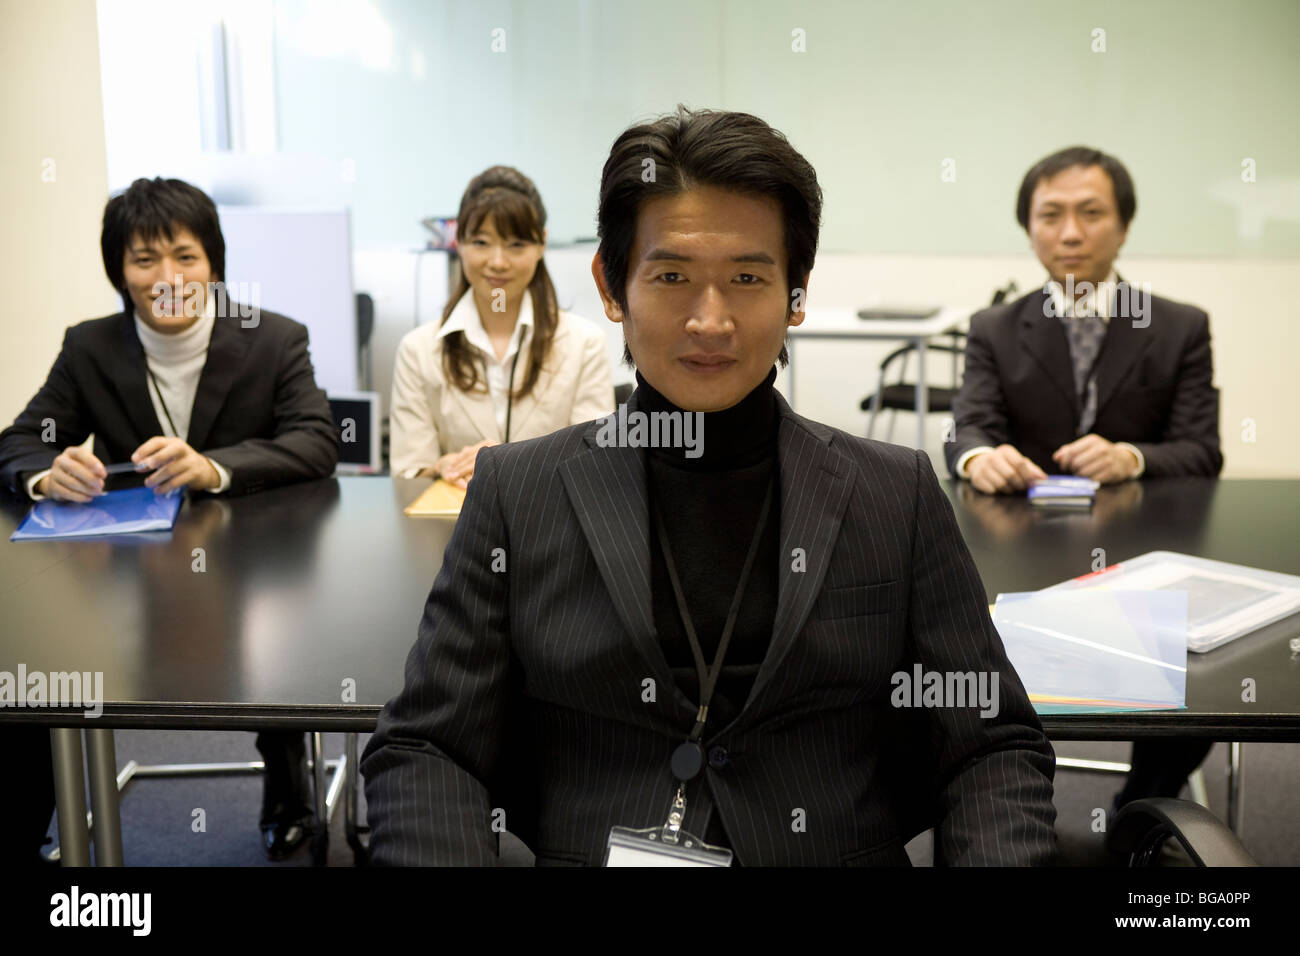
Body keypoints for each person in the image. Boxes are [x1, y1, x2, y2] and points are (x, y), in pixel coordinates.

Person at [361, 107, 1057, 866]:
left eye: (749, 278)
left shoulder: (893, 492)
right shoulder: (518, 493)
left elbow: (990, 742)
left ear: (797, 292)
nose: (711, 320)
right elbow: (427, 747)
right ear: (610, 284)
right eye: (672, 277)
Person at [0, 177, 338, 862]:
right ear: (119, 273)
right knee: (34, 655)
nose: (168, 277)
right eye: (144, 259)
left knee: (276, 649)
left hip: (253, 560)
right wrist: (46, 471)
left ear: (212, 261)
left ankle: (289, 786)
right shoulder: (90, 347)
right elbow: (18, 440)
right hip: (133, 565)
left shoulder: (272, 338)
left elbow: (316, 441)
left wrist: (213, 467)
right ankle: (53, 808)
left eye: (185, 256)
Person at [944, 146, 1222, 820]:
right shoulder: (995, 328)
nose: (1070, 232)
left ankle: (1144, 805)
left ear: (1123, 226)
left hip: (1143, 556)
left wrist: (1132, 456)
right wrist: (980, 460)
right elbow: (968, 430)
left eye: (1091, 213)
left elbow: (1201, 451)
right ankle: (1000, 799)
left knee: (1208, 677)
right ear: (1029, 227)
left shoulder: (1180, 326)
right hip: (1018, 556)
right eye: (1051, 215)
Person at [388, 166, 613, 487]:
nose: (497, 262)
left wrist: (505, 461)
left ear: (541, 245)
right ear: (459, 243)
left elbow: (596, 461)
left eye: (516, 245)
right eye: (481, 242)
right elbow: (408, 472)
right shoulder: (419, 349)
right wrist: (444, 466)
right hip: (453, 527)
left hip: (550, 526)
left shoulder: (584, 343)